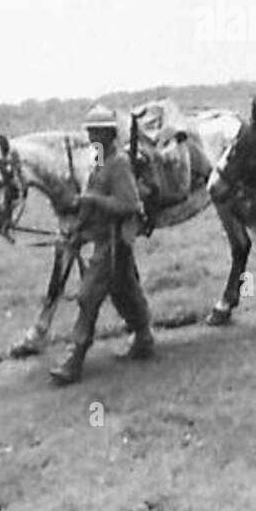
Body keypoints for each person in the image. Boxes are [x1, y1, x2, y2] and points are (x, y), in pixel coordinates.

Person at [48, 104, 155, 386]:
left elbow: (129, 204)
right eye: (90, 131)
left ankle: (75, 358)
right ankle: (143, 337)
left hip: (115, 241)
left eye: (96, 132)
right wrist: (78, 229)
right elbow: (91, 196)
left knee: (88, 295)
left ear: (108, 134)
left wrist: (91, 201)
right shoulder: (99, 160)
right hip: (101, 236)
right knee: (124, 289)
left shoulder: (118, 164)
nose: (91, 136)